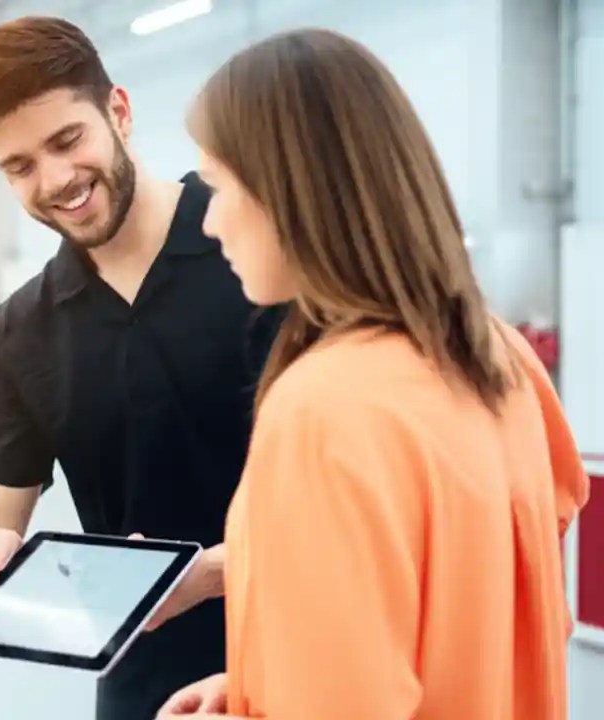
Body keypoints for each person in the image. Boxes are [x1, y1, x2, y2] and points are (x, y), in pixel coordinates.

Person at [157, 27, 591, 719]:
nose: (210, 226)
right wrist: (255, 687)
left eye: (218, 187)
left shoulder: (322, 409)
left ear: (291, 193)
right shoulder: (501, 359)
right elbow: (477, 597)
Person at [0, 16, 281, 720]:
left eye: (67, 140)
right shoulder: (25, 329)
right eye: (20, 166)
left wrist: (209, 575)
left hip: (308, 660)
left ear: (118, 112)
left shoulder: (262, 244)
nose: (57, 180)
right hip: (145, 695)